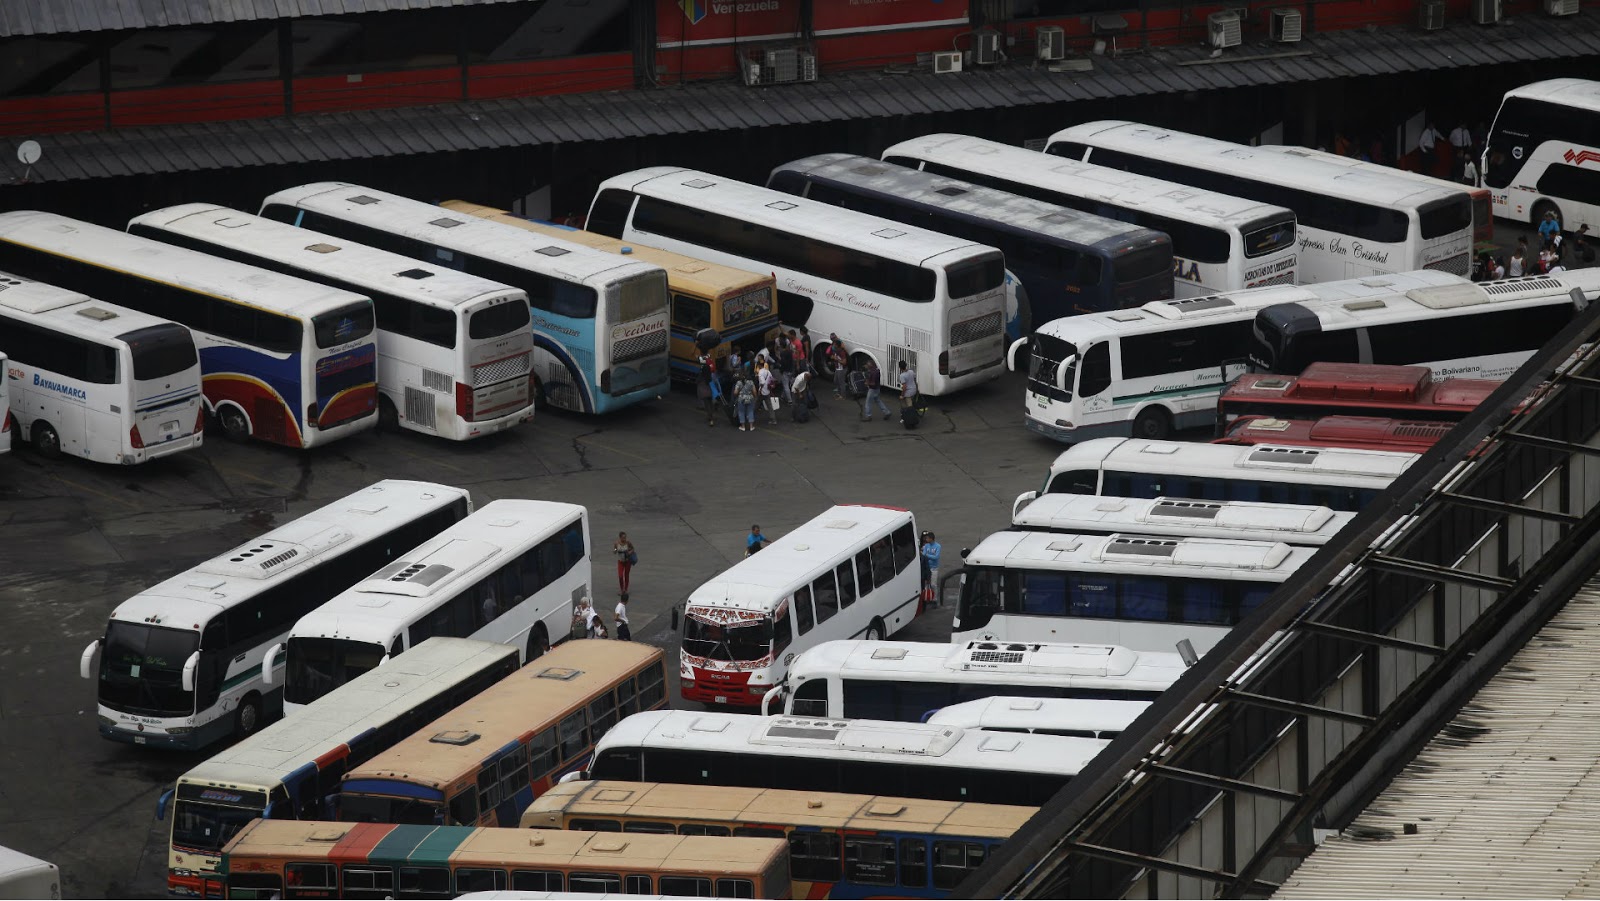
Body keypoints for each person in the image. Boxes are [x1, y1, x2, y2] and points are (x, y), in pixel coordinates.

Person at [920, 532, 942, 607]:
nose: (926, 539)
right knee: (927, 584)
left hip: (934, 568)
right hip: (927, 568)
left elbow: (936, 557)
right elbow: (924, 555)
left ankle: (934, 599)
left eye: (927, 538)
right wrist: (928, 556)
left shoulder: (938, 546)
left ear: (931, 538)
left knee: (933, 584)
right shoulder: (926, 545)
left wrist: (926, 555)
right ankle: (928, 597)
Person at [734, 364, 757, 432]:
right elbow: (754, 391)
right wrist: (755, 397)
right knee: (750, 411)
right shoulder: (751, 382)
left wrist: (738, 394)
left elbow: (735, 392)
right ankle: (751, 426)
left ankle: (743, 426)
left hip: (741, 399)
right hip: (750, 398)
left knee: (741, 412)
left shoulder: (738, 382)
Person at [695, 358, 716, 427]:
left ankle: (711, 420)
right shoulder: (710, 377)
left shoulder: (701, 376)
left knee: (707, 407)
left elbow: (696, 381)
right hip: (710, 392)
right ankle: (710, 417)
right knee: (710, 405)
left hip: (704, 393)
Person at [758, 359, 779, 425]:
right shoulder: (767, 371)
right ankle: (773, 420)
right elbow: (771, 379)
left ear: (758, 365)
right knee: (770, 406)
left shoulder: (760, 373)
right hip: (768, 391)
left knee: (756, 404)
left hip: (762, 391)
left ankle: (750, 418)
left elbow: (762, 382)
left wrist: (760, 389)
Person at [828, 333, 848, 397]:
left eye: (834, 344)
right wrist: (833, 360)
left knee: (841, 382)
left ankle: (842, 395)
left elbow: (844, 362)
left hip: (841, 369)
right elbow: (835, 358)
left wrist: (836, 359)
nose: (833, 345)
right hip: (837, 368)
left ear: (837, 346)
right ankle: (839, 392)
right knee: (836, 380)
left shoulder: (841, 352)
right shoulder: (836, 351)